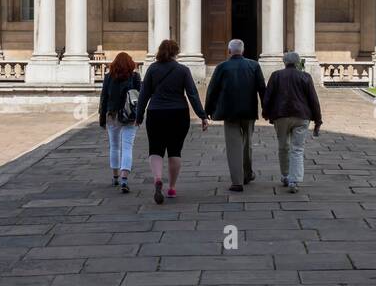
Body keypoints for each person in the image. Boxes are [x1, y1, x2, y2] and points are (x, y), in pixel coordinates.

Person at [136, 39, 208, 204]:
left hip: (155, 113)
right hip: (178, 114)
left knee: (155, 148)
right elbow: (193, 95)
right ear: (176, 52)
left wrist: (138, 116)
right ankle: (172, 187)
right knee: (175, 151)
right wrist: (202, 115)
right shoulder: (183, 70)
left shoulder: (152, 69)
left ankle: (158, 178)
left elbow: (143, 94)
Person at [205, 38, 266, 192]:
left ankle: (237, 181)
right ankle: (247, 173)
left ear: (229, 51)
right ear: (243, 51)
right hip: (249, 111)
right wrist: (266, 109)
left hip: (229, 112)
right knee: (247, 144)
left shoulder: (222, 67)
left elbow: (212, 90)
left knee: (233, 146)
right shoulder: (254, 65)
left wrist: (208, 111)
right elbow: (262, 89)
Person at [262, 50, 322, 194]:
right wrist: (318, 120)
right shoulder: (305, 76)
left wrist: (266, 113)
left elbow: (268, 97)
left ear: (284, 62)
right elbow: (313, 100)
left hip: (281, 116)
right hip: (301, 117)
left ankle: (285, 175)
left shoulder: (276, 76)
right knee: (298, 149)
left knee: (283, 147)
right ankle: (294, 180)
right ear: (297, 63)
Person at [98, 51, 142, 192]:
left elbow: (104, 97)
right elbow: (139, 99)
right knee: (127, 147)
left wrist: (102, 118)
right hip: (130, 116)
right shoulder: (135, 77)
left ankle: (115, 176)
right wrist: (140, 116)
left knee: (114, 146)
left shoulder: (108, 77)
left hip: (113, 115)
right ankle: (124, 179)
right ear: (131, 64)